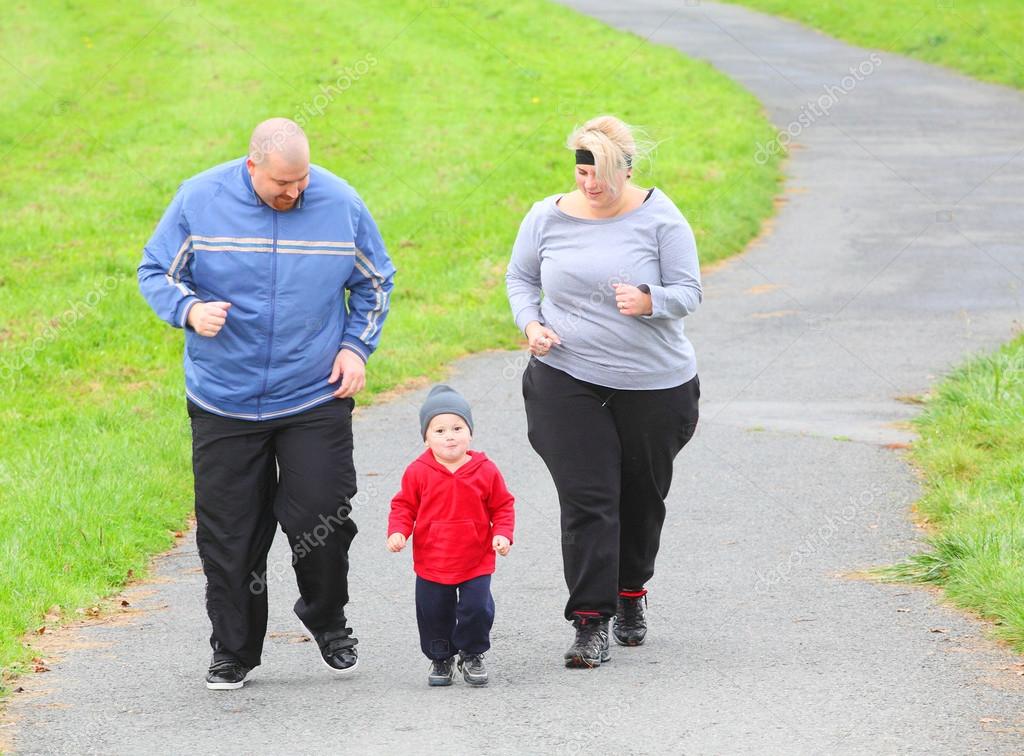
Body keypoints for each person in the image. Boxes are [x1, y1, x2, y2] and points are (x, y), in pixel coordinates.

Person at [137, 118, 395, 690]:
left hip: (313, 392)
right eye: (282, 183)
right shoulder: (199, 199)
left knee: (322, 518)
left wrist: (354, 347)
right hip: (224, 399)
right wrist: (188, 310)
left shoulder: (341, 204)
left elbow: (375, 282)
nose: (294, 192)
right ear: (252, 165)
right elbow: (155, 270)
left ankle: (326, 619)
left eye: (302, 181)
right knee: (230, 536)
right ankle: (234, 651)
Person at [505, 115, 701, 668]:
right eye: (583, 172)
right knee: (588, 498)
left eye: (603, 174)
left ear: (628, 169)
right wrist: (531, 323)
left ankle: (630, 589)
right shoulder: (546, 216)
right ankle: (590, 621)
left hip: (652, 385)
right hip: (565, 376)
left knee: (640, 499)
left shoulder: (660, 218)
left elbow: (689, 291)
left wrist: (651, 300)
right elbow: (520, 279)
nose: (591, 184)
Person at [387, 384, 515, 687]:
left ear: (470, 433)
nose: (450, 436)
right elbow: (404, 506)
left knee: (477, 608)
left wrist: (503, 534)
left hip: (476, 558)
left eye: (458, 428)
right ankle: (441, 657)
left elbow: (503, 505)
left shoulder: (485, 470)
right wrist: (398, 531)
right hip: (432, 560)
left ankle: (472, 653)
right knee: (433, 611)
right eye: (440, 430)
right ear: (426, 437)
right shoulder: (418, 471)